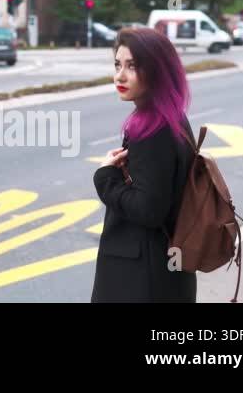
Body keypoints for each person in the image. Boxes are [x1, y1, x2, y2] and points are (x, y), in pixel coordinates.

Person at [91, 27, 197, 303]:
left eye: (132, 66)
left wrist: (105, 177)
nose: (120, 76)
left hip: (141, 279)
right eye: (117, 64)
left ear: (157, 71)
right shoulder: (171, 118)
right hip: (161, 272)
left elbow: (149, 210)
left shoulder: (154, 130)